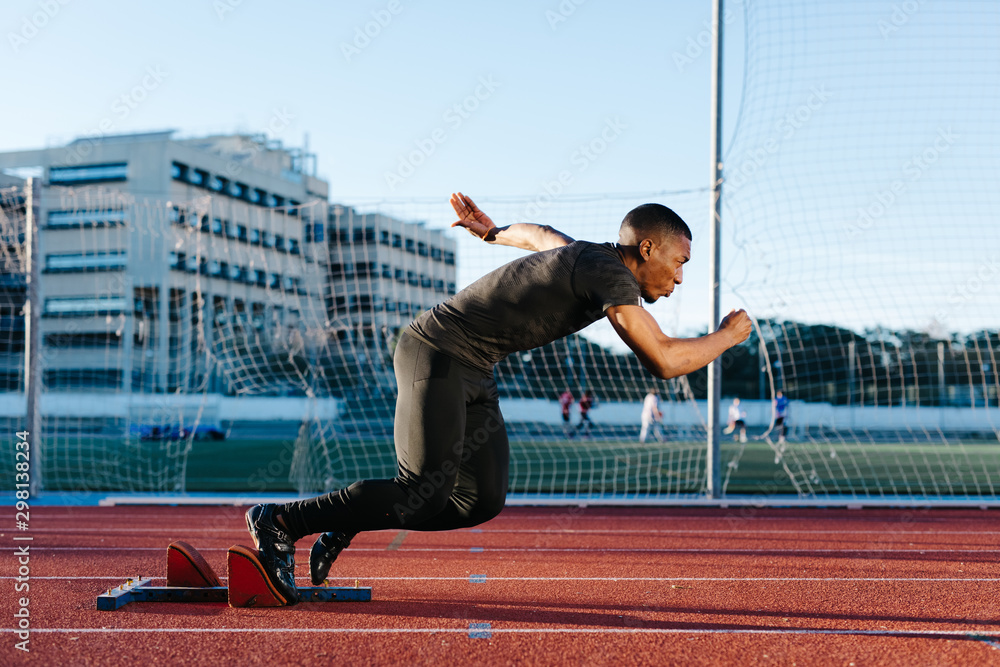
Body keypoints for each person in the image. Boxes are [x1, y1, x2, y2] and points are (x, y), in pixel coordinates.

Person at [245, 192, 752, 604]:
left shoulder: (589, 256)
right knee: (421, 491)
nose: (681, 276)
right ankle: (282, 520)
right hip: (436, 351)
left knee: (479, 500)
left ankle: (347, 517)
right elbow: (662, 359)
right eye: (679, 261)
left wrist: (491, 233)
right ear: (646, 249)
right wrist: (728, 336)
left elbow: (540, 236)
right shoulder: (610, 274)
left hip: (474, 367)